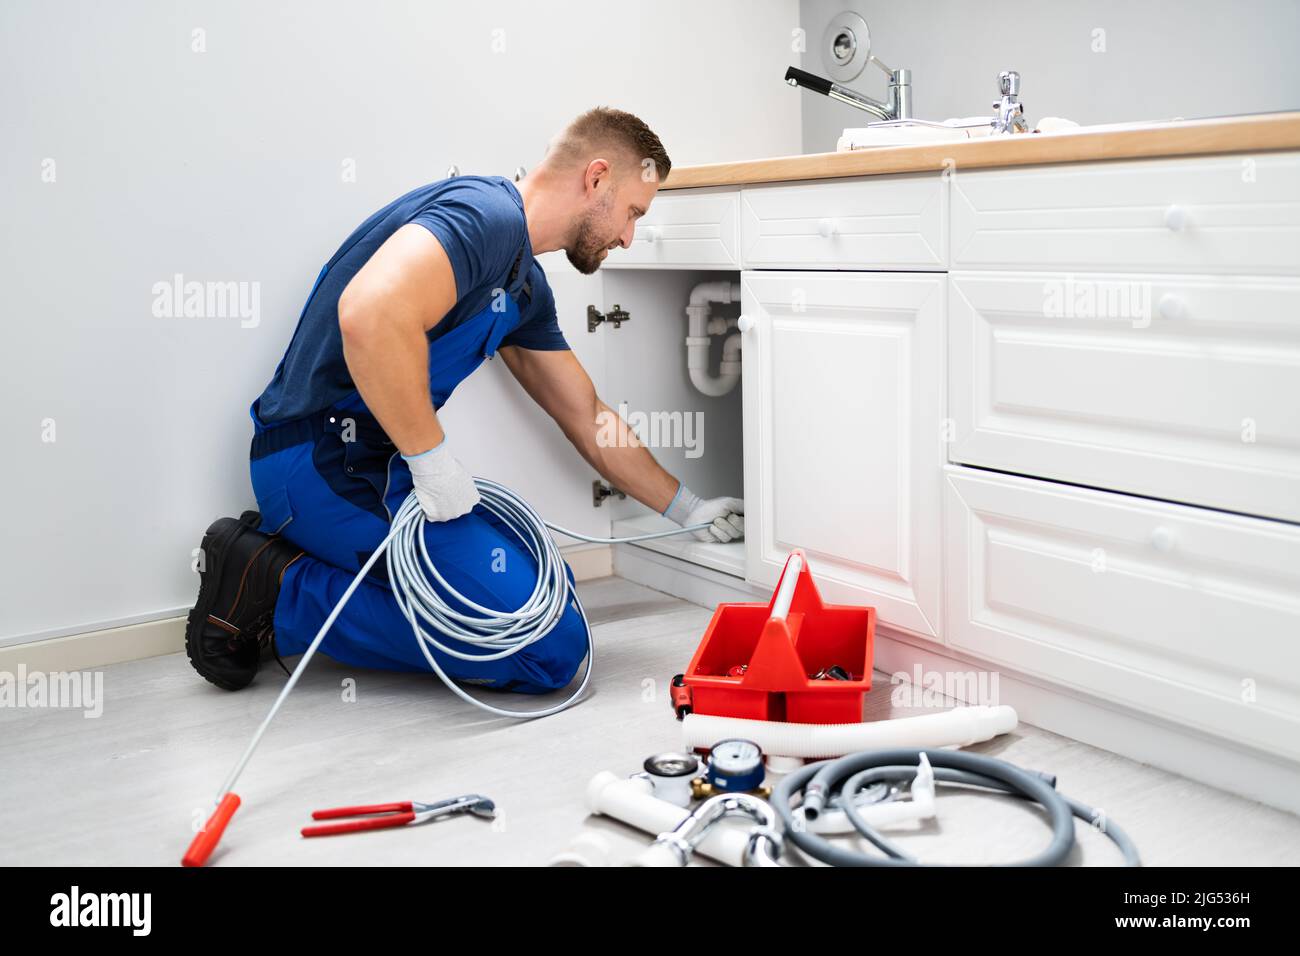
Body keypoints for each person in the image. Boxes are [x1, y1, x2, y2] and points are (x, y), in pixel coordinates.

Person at [185, 107, 744, 694]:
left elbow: (588, 416)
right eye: (633, 212)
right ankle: (275, 590)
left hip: (380, 471)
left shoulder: (525, 286)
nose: (629, 236)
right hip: (318, 464)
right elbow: (369, 315)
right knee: (547, 650)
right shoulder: (483, 216)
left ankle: (312, 571)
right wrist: (433, 465)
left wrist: (687, 509)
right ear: (597, 176)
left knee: (549, 592)